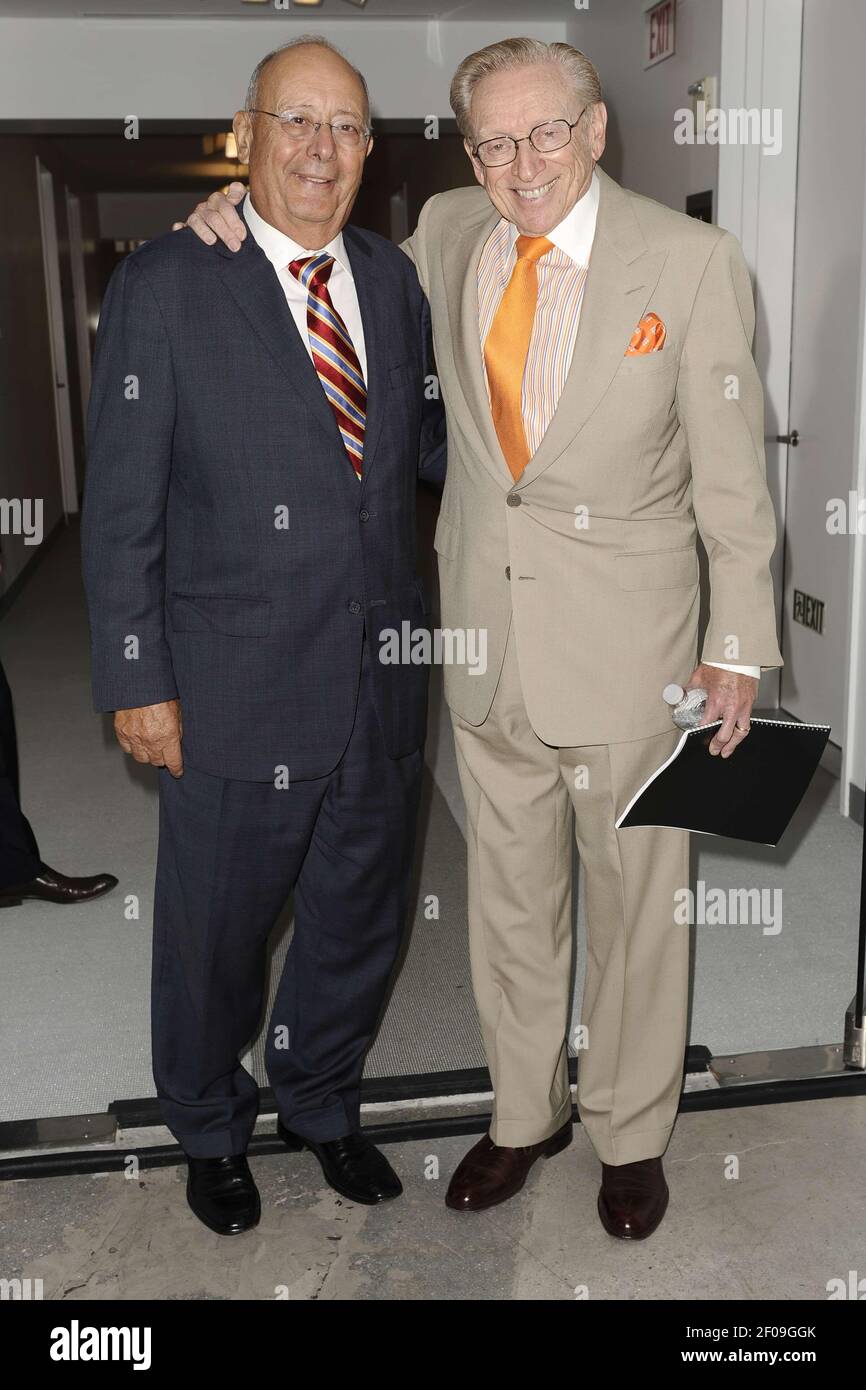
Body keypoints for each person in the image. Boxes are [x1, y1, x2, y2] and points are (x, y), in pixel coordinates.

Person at [185, 36, 782, 1240]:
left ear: (597, 128)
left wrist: (738, 647)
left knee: (635, 914)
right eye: (495, 140)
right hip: (483, 650)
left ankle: (627, 1131)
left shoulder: (692, 262)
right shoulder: (448, 233)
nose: (523, 163)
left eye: (547, 132)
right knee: (510, 907)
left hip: (637, 659)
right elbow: (325, 268)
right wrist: (238, 209)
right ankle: (522, 1115)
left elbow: (731, 486)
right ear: (467, 153)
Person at [81, 36, 445, 1237]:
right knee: (215, 933)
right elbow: (125, 500)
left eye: (344, 127)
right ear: (246, 135)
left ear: (366, 150)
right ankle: (206, 1123)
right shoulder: (168, 283)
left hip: (379, 681)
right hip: (229, 684)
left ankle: (322, 1101)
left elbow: (423, 463)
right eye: (296, 121)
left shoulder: (392, 282)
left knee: (357, 918)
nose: (320, 148)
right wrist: (138, 676)